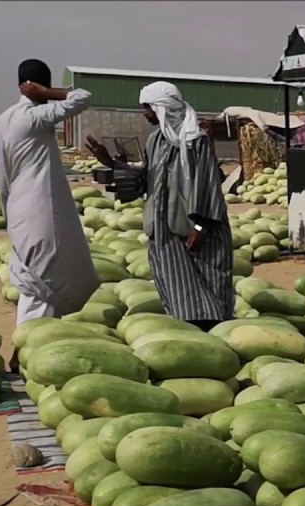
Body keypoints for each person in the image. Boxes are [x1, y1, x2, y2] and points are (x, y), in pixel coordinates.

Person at [85, 81, 234, 331]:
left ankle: (214, 332)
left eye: (147, 107)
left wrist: (200, 226)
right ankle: (189, 330)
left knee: (209, 283)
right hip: (164, 231)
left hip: (195, 229)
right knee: (178, 288)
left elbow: (208, 183)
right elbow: (147, 179)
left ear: (162, 107)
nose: (144, 113)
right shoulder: (155, 141)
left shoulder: (195, 141)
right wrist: (111, 163)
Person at [0, 59, 100, 369]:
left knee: (35, 278)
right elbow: (82, 97)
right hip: (40, 208)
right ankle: (24, 351)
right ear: (38, 85)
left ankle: (33, 346)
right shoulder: (35, 116)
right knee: (44, 282)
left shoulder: (3, 119)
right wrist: (49, 93)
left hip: (18, 206)